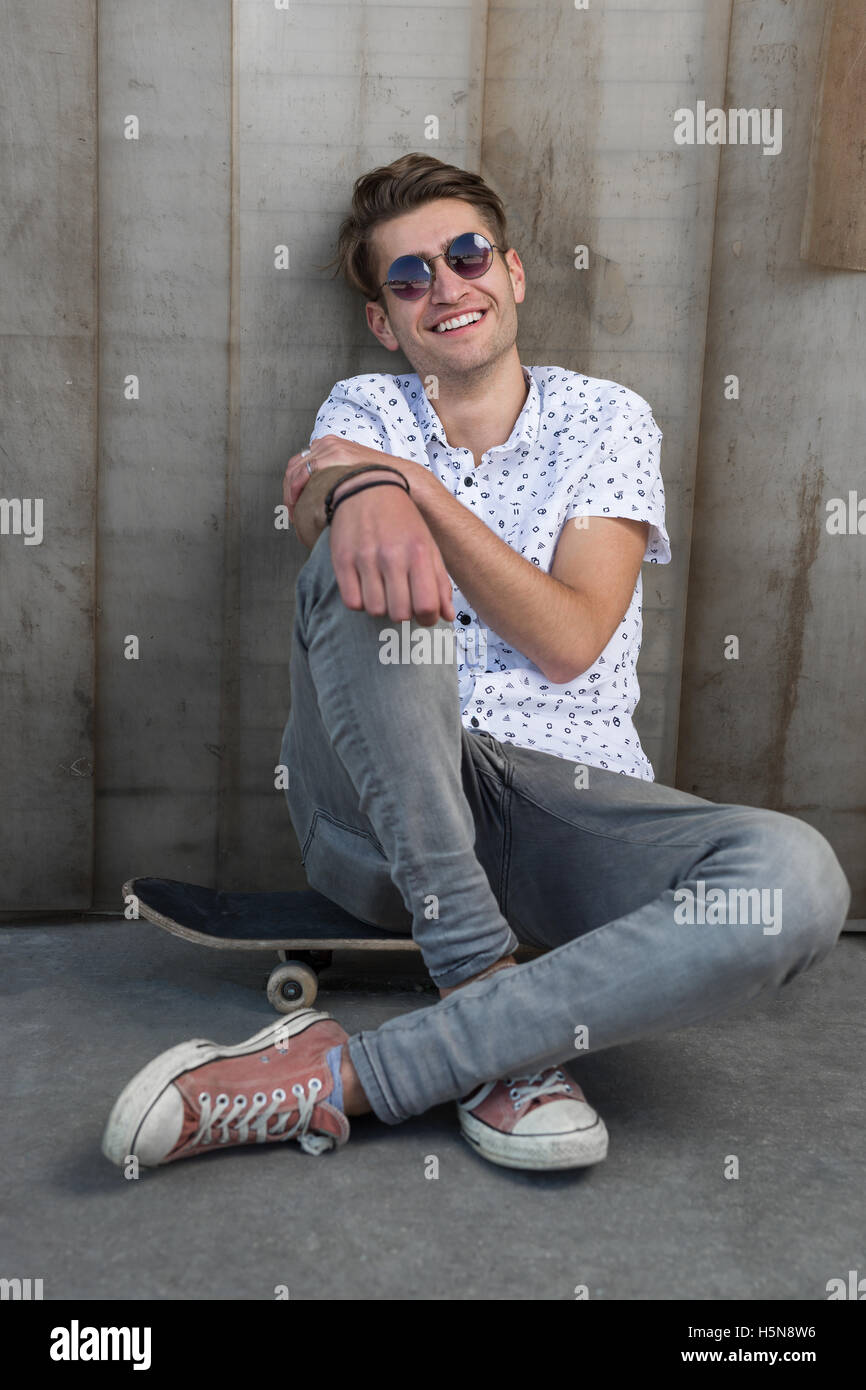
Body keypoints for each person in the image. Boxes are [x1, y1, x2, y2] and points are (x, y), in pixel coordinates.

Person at [103, 154, 850, 1174]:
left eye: (465, 257)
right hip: (376, 810)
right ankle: (480, 982)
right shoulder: (361, 408)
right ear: (384, 321)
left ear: (512, 272)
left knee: (795, 881)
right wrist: (365, 490)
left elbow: (569, 636)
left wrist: (409, 487)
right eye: (407, 279)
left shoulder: (605, 418)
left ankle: (358, 1072)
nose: (444, 288)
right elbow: (318, 510)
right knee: (363, 560)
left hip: (559, 814)